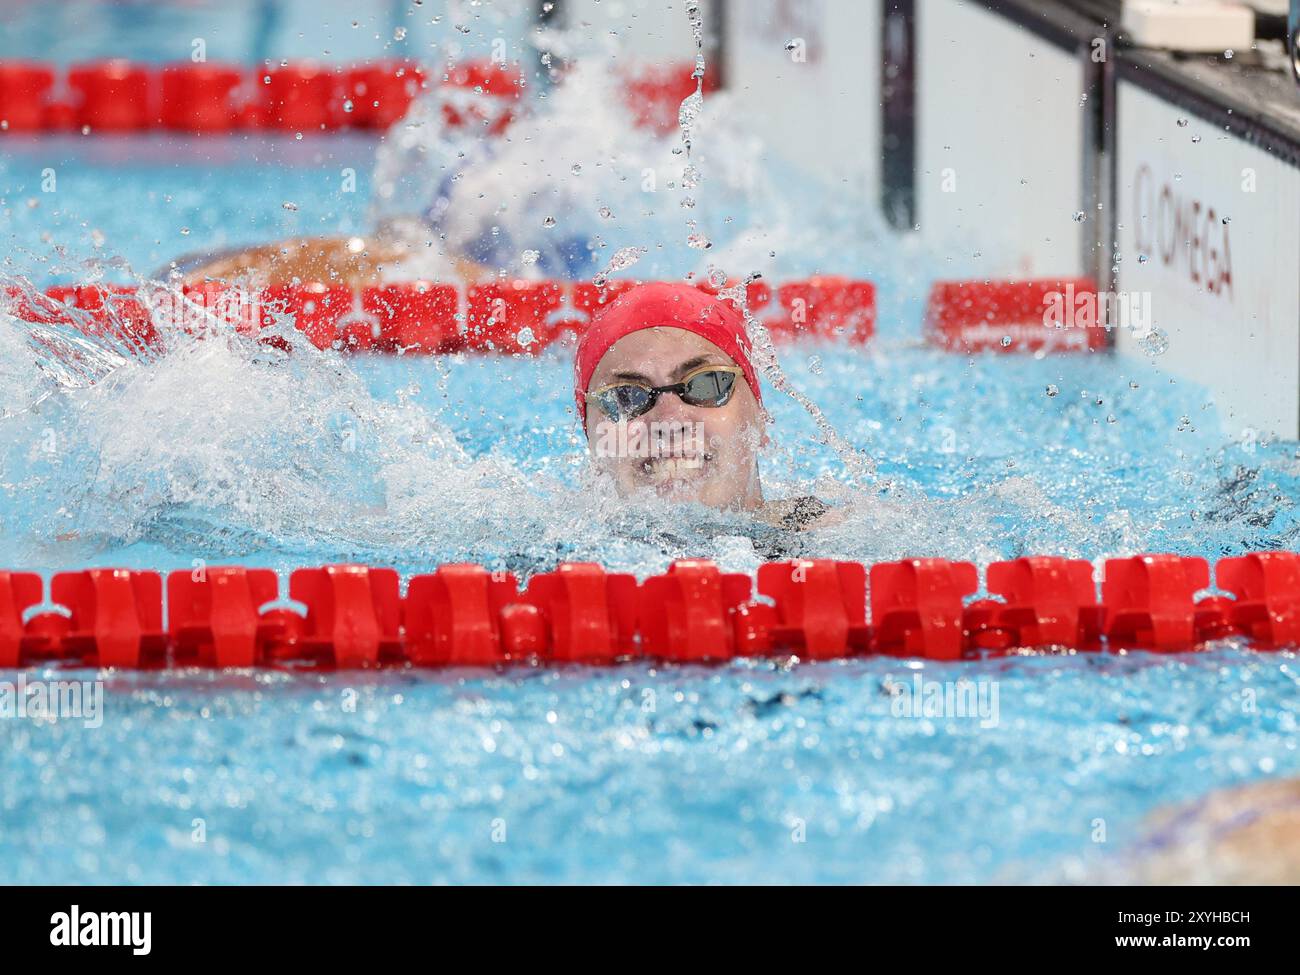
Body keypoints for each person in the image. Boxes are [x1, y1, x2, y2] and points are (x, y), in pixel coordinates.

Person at [574, 281, 830, 532]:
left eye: (707, 383)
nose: (670, 422)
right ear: (591, 440)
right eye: (625, 397)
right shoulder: (554, 556)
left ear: (759, 417)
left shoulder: (831, 544)